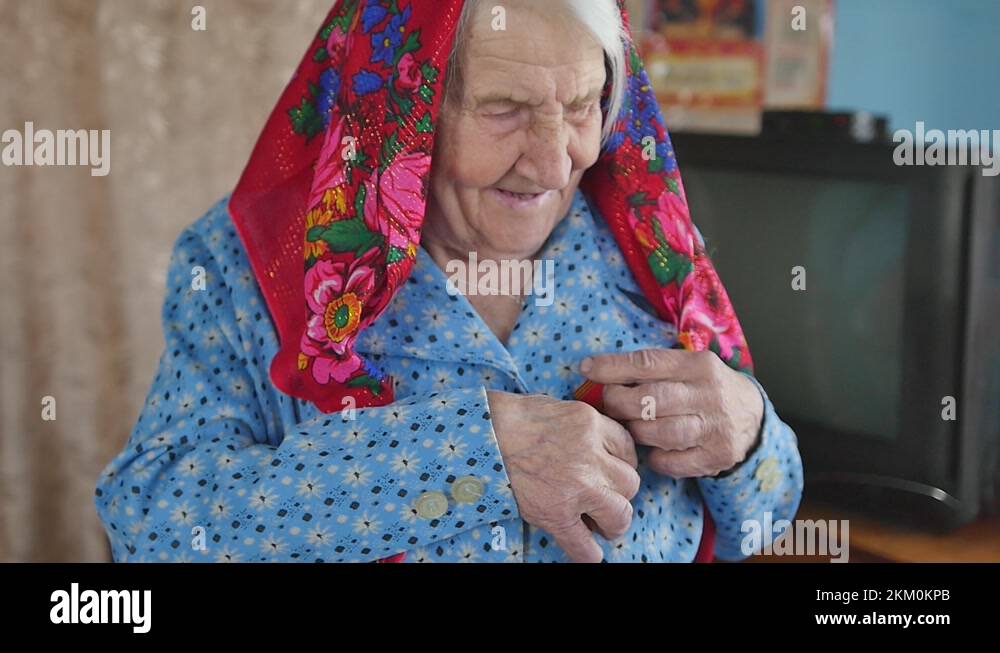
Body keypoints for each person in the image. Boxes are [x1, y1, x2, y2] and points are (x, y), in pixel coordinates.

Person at [95, 0, 803, 563]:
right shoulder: (252, 263)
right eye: (505, 111)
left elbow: (764, 519)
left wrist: (750, 434)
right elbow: (153, 525)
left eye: (583, 105)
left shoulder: (653, 250)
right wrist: (465, 456)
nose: (555, 164)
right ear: (401, 115)